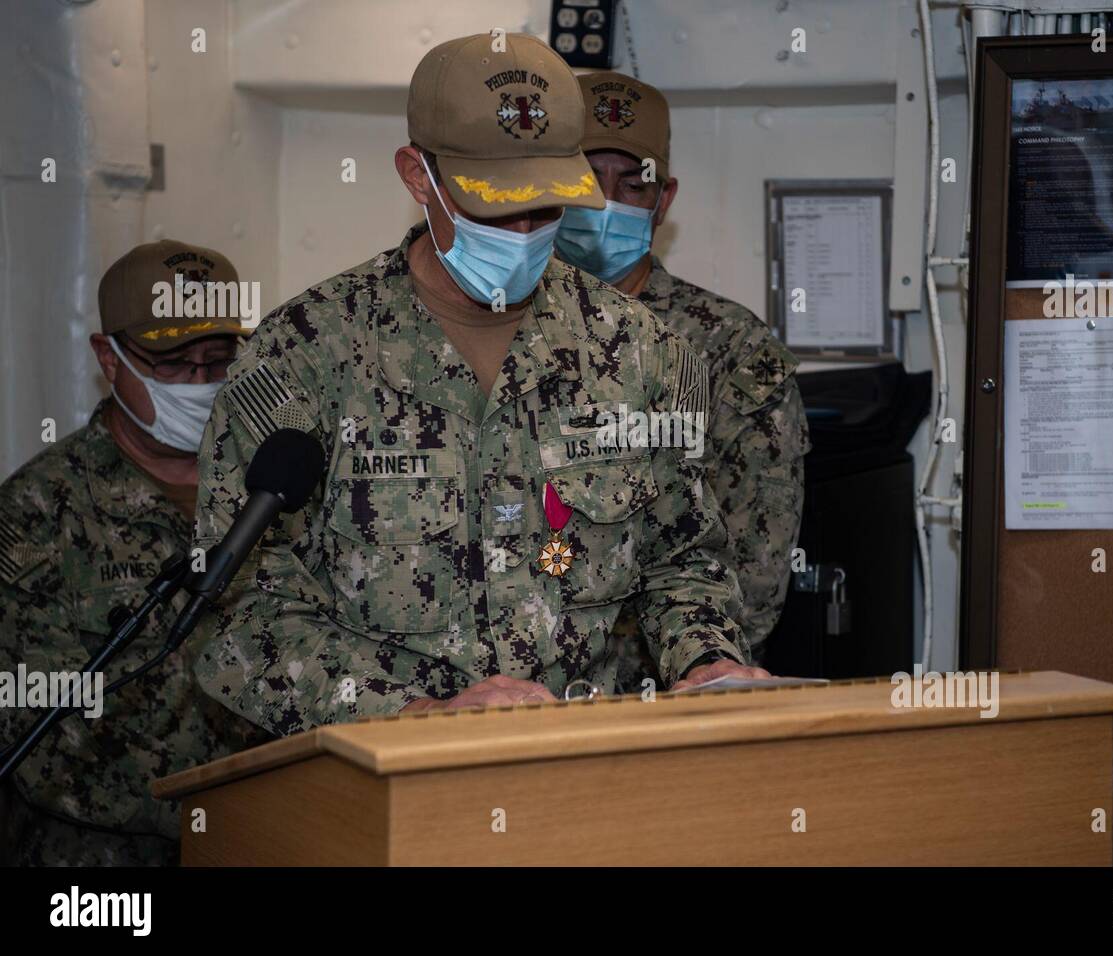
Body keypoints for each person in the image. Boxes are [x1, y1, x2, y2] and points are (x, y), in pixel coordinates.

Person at [192, 32, 768, 735]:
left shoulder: (638, 351)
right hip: (377, 791)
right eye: (496, 206)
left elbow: (681, 561)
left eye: (549, 206)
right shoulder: (302, 360)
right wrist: (417, 713)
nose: (524, 230)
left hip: (582, 776)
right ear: (417, 176)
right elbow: (238, 619)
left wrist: (706, 660)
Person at [0, 240, 265, 865]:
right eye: (173, 363)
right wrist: (230, 804)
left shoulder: (275, 490)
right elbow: (38, 734)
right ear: (110, 357)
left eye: (219, 360)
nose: (200, 384)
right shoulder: (34, 517)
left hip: (275, 840)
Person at [554, 72, 809, 690]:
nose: (604, 202)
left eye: (632, 183)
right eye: (586, 180)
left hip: (665, 693)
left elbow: (756, 573)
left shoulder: (731, 350)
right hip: (518, 693)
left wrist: (684, 678)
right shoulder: (498, 325)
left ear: (663, 200)